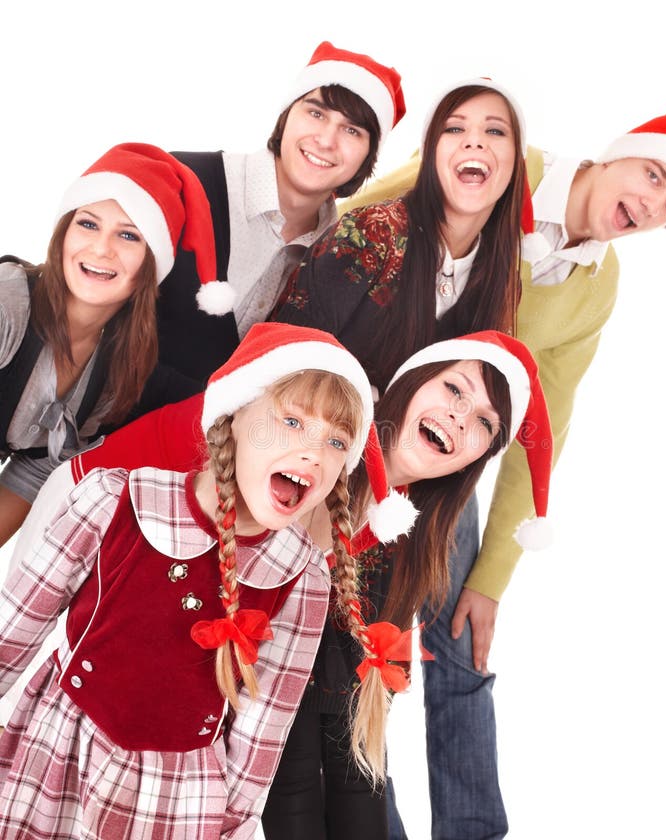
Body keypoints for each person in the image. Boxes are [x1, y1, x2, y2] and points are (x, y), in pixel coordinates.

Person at [340, 99, 666, 838]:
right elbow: (359, 219)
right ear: (611, 156)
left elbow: (544, 424)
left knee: (458, 656)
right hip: (358, 434)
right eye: (653, 176)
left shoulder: (597, 284)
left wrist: (492, 578)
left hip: (444, 472)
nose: (652, 205)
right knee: (363, 662)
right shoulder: (503, 162)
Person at [0, 322, 414, 837]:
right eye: (291, 421)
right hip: (58, 754)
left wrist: (231, 825)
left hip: (180, 800)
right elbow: (12, 632)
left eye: (336, 441)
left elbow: (262, 734)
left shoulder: (302, 577)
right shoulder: (115, 500)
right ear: (236, 417)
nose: (314, 453)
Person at [262, 329, 552, 840]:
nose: (461, 417)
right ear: (415, 379)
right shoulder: (323, 453)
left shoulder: (411, 544)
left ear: (476, 459)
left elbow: (357, 755)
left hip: (328, 697)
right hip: (250, 691)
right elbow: (289, 772)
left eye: (485, 422)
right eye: (455, 390)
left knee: (358, 775)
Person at [0, 142, 217, 548]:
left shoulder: (116, 369)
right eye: (87, 224)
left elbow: (32, 473)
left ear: (151, 264)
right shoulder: (7, 306)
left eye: (128, 235)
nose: (101, 248)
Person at [156, 40, 406, 381]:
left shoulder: (343, 258)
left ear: (368, 156)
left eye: (352, 130)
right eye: (316, 113)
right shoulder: (184, 180)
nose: (326, 140)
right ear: (287, 117)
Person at [271, 76, 530, 394]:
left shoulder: (502, 280)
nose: (475, 141)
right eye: (454, 128)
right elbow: (278, 366)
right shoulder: (371, 233)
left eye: (495, 131)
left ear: (517, 160)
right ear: (429, 154)